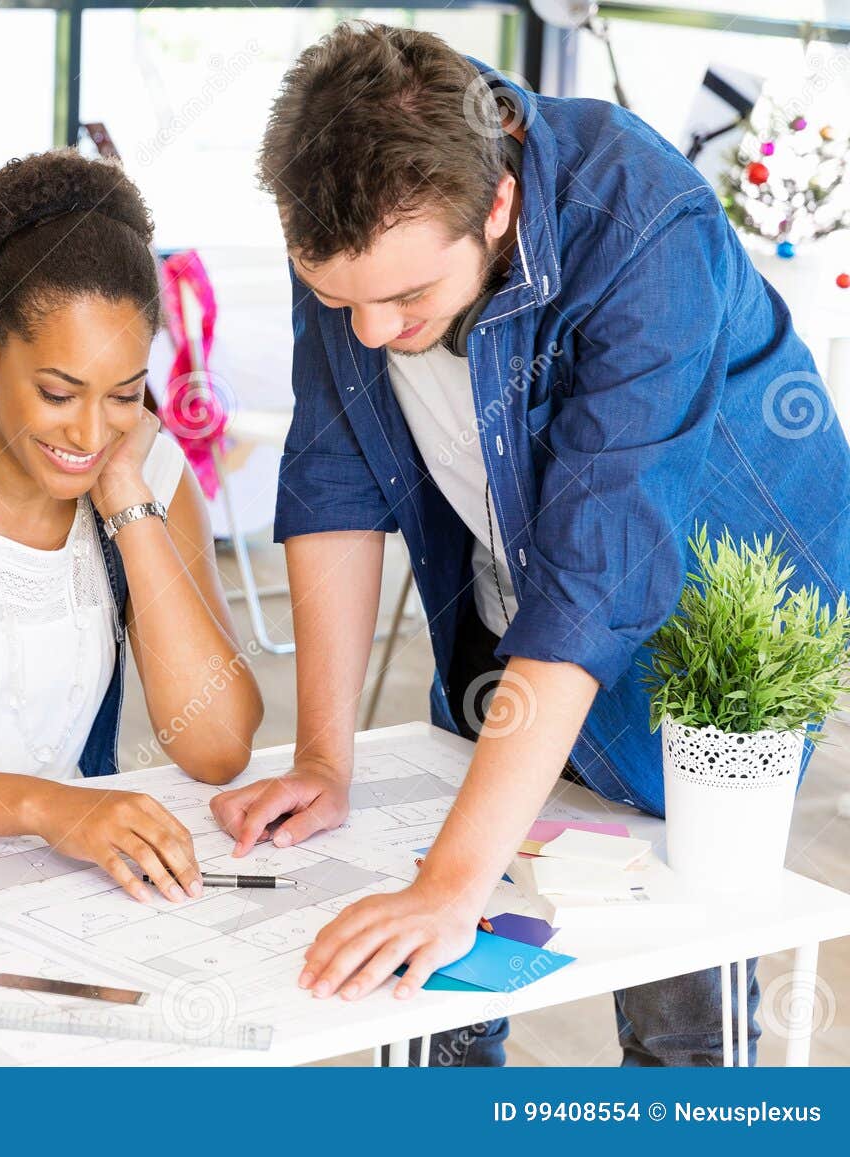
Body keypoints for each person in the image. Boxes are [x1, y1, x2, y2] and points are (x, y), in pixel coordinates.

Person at [211, 22, 850, 1064]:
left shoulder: (644, 224)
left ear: (496, 202)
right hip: (507, 585)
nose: (368, 330)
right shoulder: (349, 223)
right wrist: (324, 760)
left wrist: (449, 882)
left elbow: (598, 576)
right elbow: (330, 475)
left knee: (667, 961)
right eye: (339, 300)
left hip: (710, 616)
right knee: (442, 954)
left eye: (407, 298)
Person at [0, 150, 264, 904]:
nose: (92, 430)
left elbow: (220, 746)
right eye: (60, 392)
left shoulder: (151, 475)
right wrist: (45, 806)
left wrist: (128, 499)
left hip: (59, 894)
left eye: (124, 394)